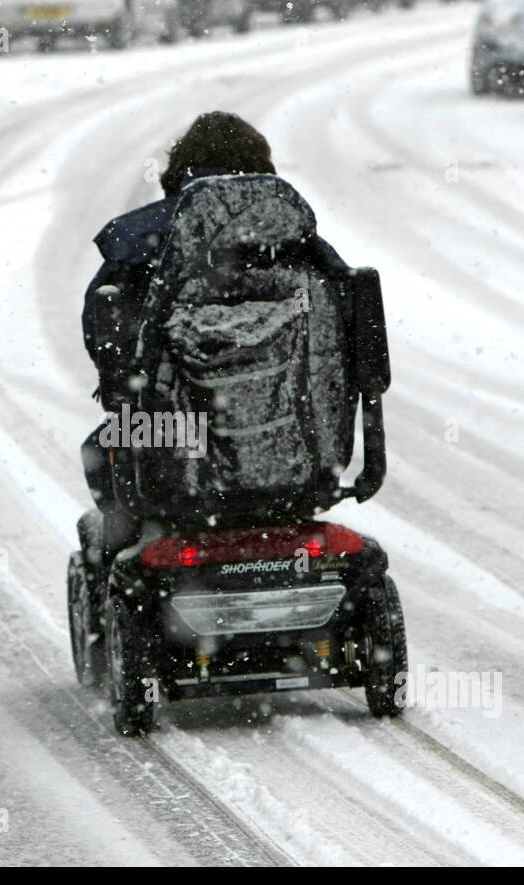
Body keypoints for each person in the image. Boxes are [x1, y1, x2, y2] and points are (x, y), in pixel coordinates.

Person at [78, 111, 351, 560]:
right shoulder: (300, 243)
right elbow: (348, 337)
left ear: (179, 172)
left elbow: (104, 342)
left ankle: (116, 570)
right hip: (296, 450)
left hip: (175, 447)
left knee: (102, 448)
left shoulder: (141, 240)